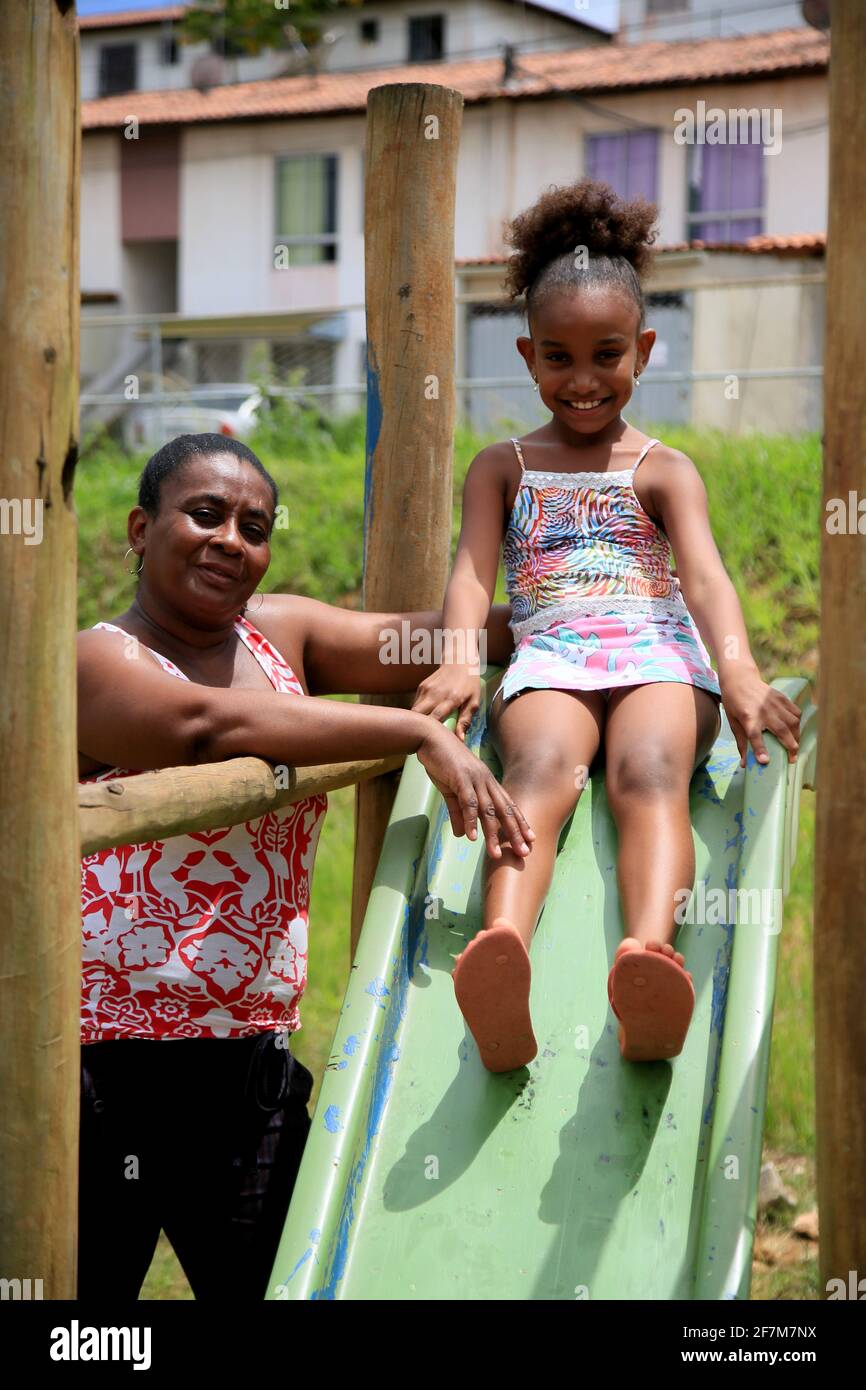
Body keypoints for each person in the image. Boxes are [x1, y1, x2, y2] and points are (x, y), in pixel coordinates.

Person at [77, 432, 532, 1300]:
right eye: (203, 515)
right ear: (141, 528)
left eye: (254, 526)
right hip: (102, 1075)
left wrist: (601, 619)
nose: (230, 541)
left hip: (247, 1069)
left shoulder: (280, 635)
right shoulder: (99, 659)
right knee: (87, 1325)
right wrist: (415, 730)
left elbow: (425, 641)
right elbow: (207, 728)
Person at [412, 179, 801, 1071]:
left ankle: (648, 956)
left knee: (651, 772)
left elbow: (704, 576)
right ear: (526, 355)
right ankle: (499, 951)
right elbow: (472, 571)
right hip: (550, 654)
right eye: (558, 357)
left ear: (645, 350)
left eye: (607, 354)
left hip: (659, 651)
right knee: (539, 770)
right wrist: (462, 660)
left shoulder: (666, 469)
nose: (582, 381)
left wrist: (737, 671)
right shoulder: (500, 465)